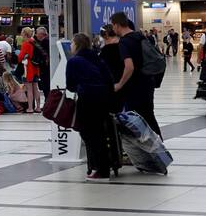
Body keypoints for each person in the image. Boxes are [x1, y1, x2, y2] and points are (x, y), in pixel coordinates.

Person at [65, 33, 116, 179]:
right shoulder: (97, 57)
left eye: (72, 43)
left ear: (77, 44)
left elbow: (70, 85)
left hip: (87, 100)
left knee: (89, 133)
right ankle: (104, 165)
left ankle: (100, 168)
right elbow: (109, 79)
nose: (70, 46)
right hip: (104, 99)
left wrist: (81, 87)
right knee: (100, 132)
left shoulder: (74, 61)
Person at [110, 12, 162, 138]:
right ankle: (158, 144)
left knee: (136, 118)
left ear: (117, 25)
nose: (112, 29)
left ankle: (152, 147)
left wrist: (120, 84)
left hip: (135, 86)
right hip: (148, 82)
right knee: (148, 115)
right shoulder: (140, 36)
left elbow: (129, 67)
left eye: (112, 25)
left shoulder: (124, 42)